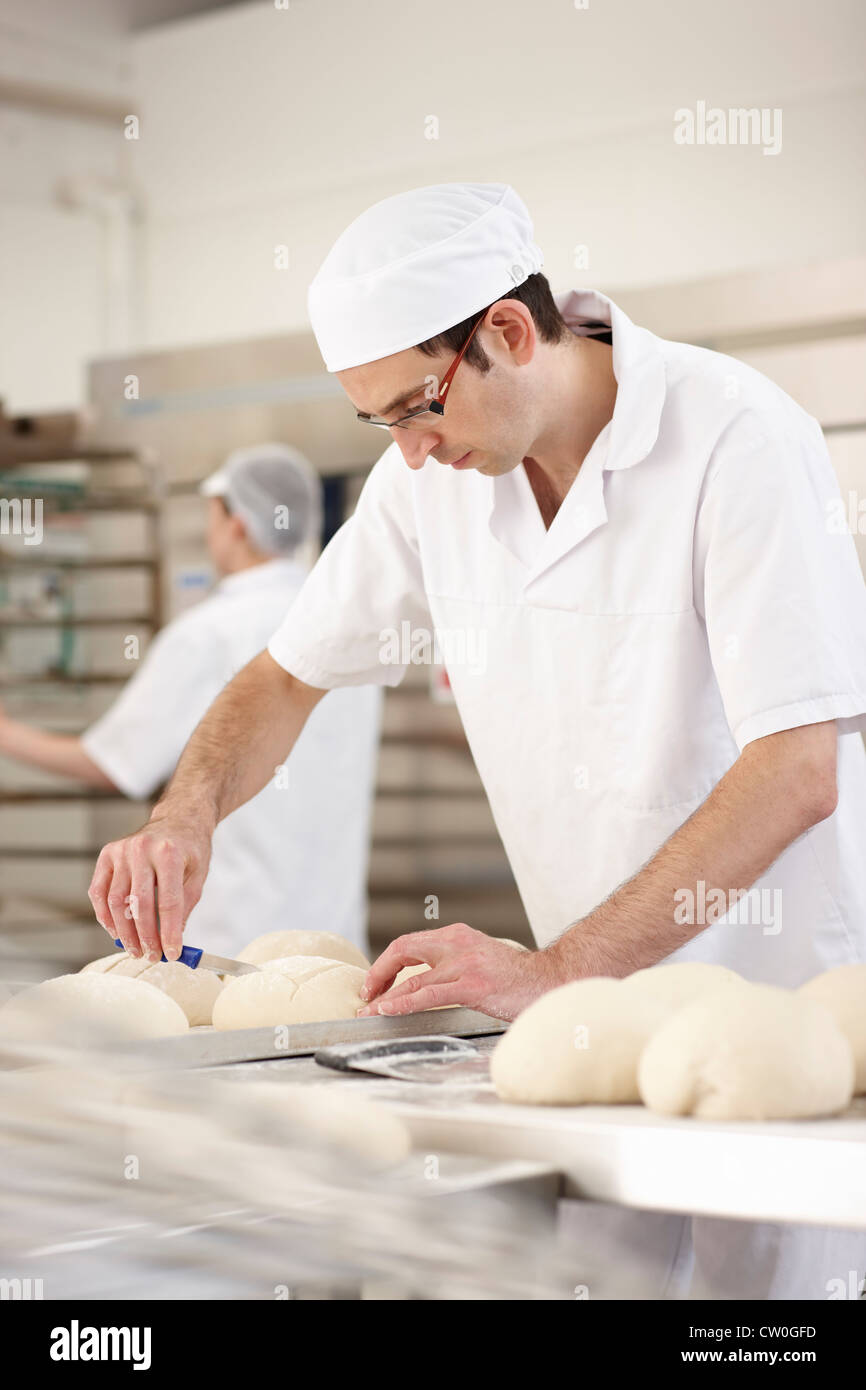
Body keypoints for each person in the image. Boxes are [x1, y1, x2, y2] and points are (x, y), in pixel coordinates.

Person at [88, 183, 866, 1298]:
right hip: (583, 1027)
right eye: (381, 424)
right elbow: (283, 676)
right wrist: (183, 815)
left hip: (775, 1014)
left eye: (416, 408)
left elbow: (795, 771)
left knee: (762, 1329)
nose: (408, 452)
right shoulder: (432, 484)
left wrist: (555, 969)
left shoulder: (734, 436)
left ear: (507, 331)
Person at [1, 443, 381, 958]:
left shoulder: (206, 632)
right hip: (336, 944)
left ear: (236, 525)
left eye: (212, 516)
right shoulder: (345, 620)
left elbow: (114, 763)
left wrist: (6, 732)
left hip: (233, 947)